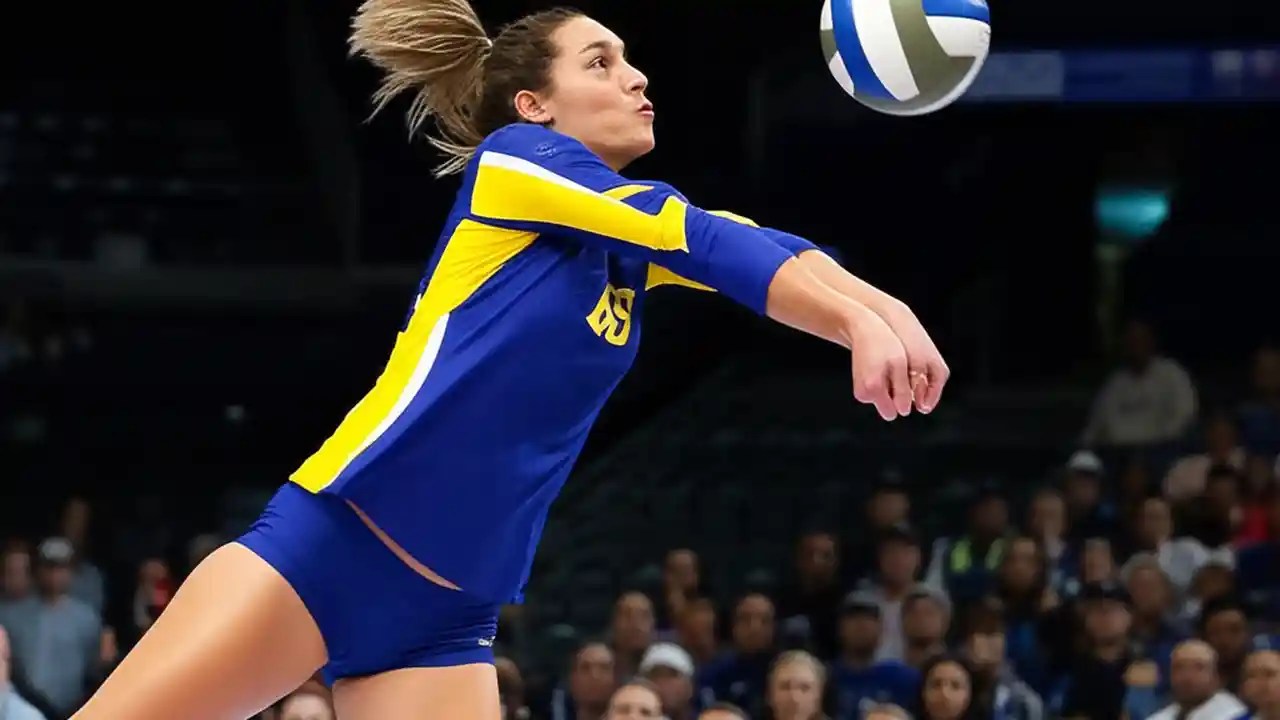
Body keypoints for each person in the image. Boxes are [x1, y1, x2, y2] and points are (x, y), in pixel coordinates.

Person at [71, 1, 947, 718]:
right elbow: (696, 234)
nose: (636, 77)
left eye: (629, 59)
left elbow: (761, 246)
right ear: (536, 105)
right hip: (331, 547)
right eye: (600, 62)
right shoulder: (513, 165)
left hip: (448, 621)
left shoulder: (625, 255)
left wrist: (889, 310)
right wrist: (856, 328)